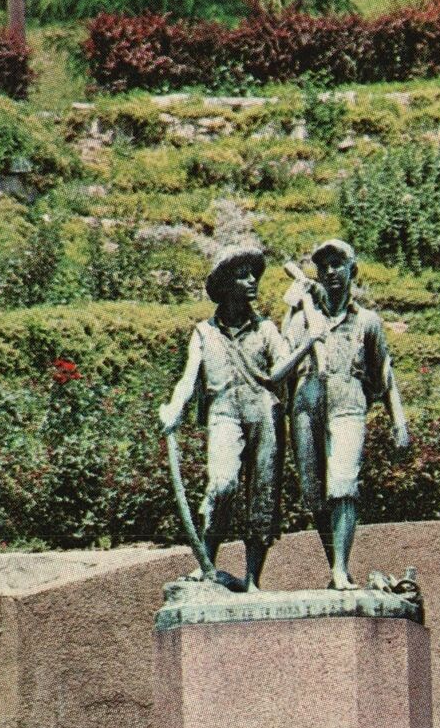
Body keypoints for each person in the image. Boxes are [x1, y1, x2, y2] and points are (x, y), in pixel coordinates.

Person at [159, 243, 317, 592]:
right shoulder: (205, 331)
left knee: (263, 496)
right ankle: (207, 565)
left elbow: (279, 371)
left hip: (264, 413)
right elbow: (189, 377)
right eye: (242, 275)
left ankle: (253, 581)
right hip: (224, 412)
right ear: (226, 283)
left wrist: (305, 346)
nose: (251, 281)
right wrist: (175, 408)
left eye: (253, 274)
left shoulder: (266, 330)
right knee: (222, 484)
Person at [283, 239, 409, 590]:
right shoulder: (306, 313)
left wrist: (398, 419)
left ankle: (340, 568)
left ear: (352, 270)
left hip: (349, 399)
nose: (331, 272)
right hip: (308, 400)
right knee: (314, 492)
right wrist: (296, 307)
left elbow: (384, 372)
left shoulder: (367, 321)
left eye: (338, 264)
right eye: (323, 265)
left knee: (342, 482)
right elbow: (283, 353)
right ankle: (335, 564)